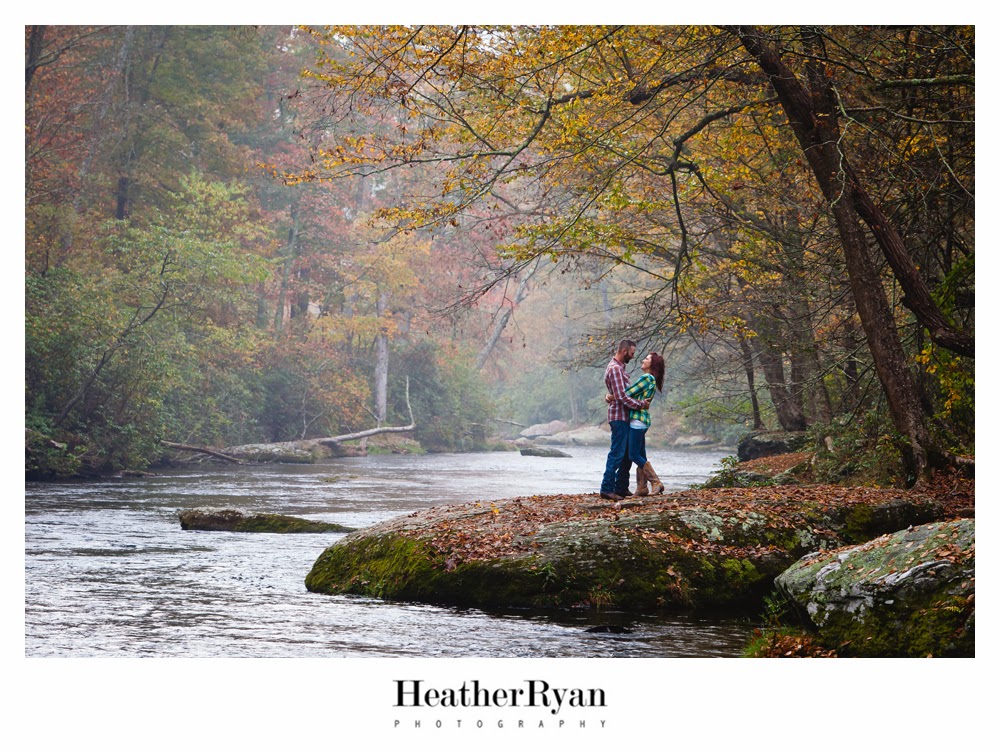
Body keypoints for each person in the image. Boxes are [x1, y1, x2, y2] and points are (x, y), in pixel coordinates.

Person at [599, 339, 650, 501]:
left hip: (625, 416)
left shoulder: (620, 369)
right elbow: (622, 397)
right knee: (617, 453)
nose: (633, 356)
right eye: (632, 353)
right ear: (624, 351)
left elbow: (622, 394)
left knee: (627, 454)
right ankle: (606, 488)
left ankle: (621, 487)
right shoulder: (615, 369)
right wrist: (641, 404)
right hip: (619, 416)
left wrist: (610, 396)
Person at [622, 352, 666, 496]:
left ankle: (656, 482)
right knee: (640, 454)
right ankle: (642, 488)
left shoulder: (647, 378)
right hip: (642, 420)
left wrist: (610, 396)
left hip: (637, 420)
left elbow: (627, 393)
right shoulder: (652, 379)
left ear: (652, 364)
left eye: (646, 359)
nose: (643, 360)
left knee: (633, 454)